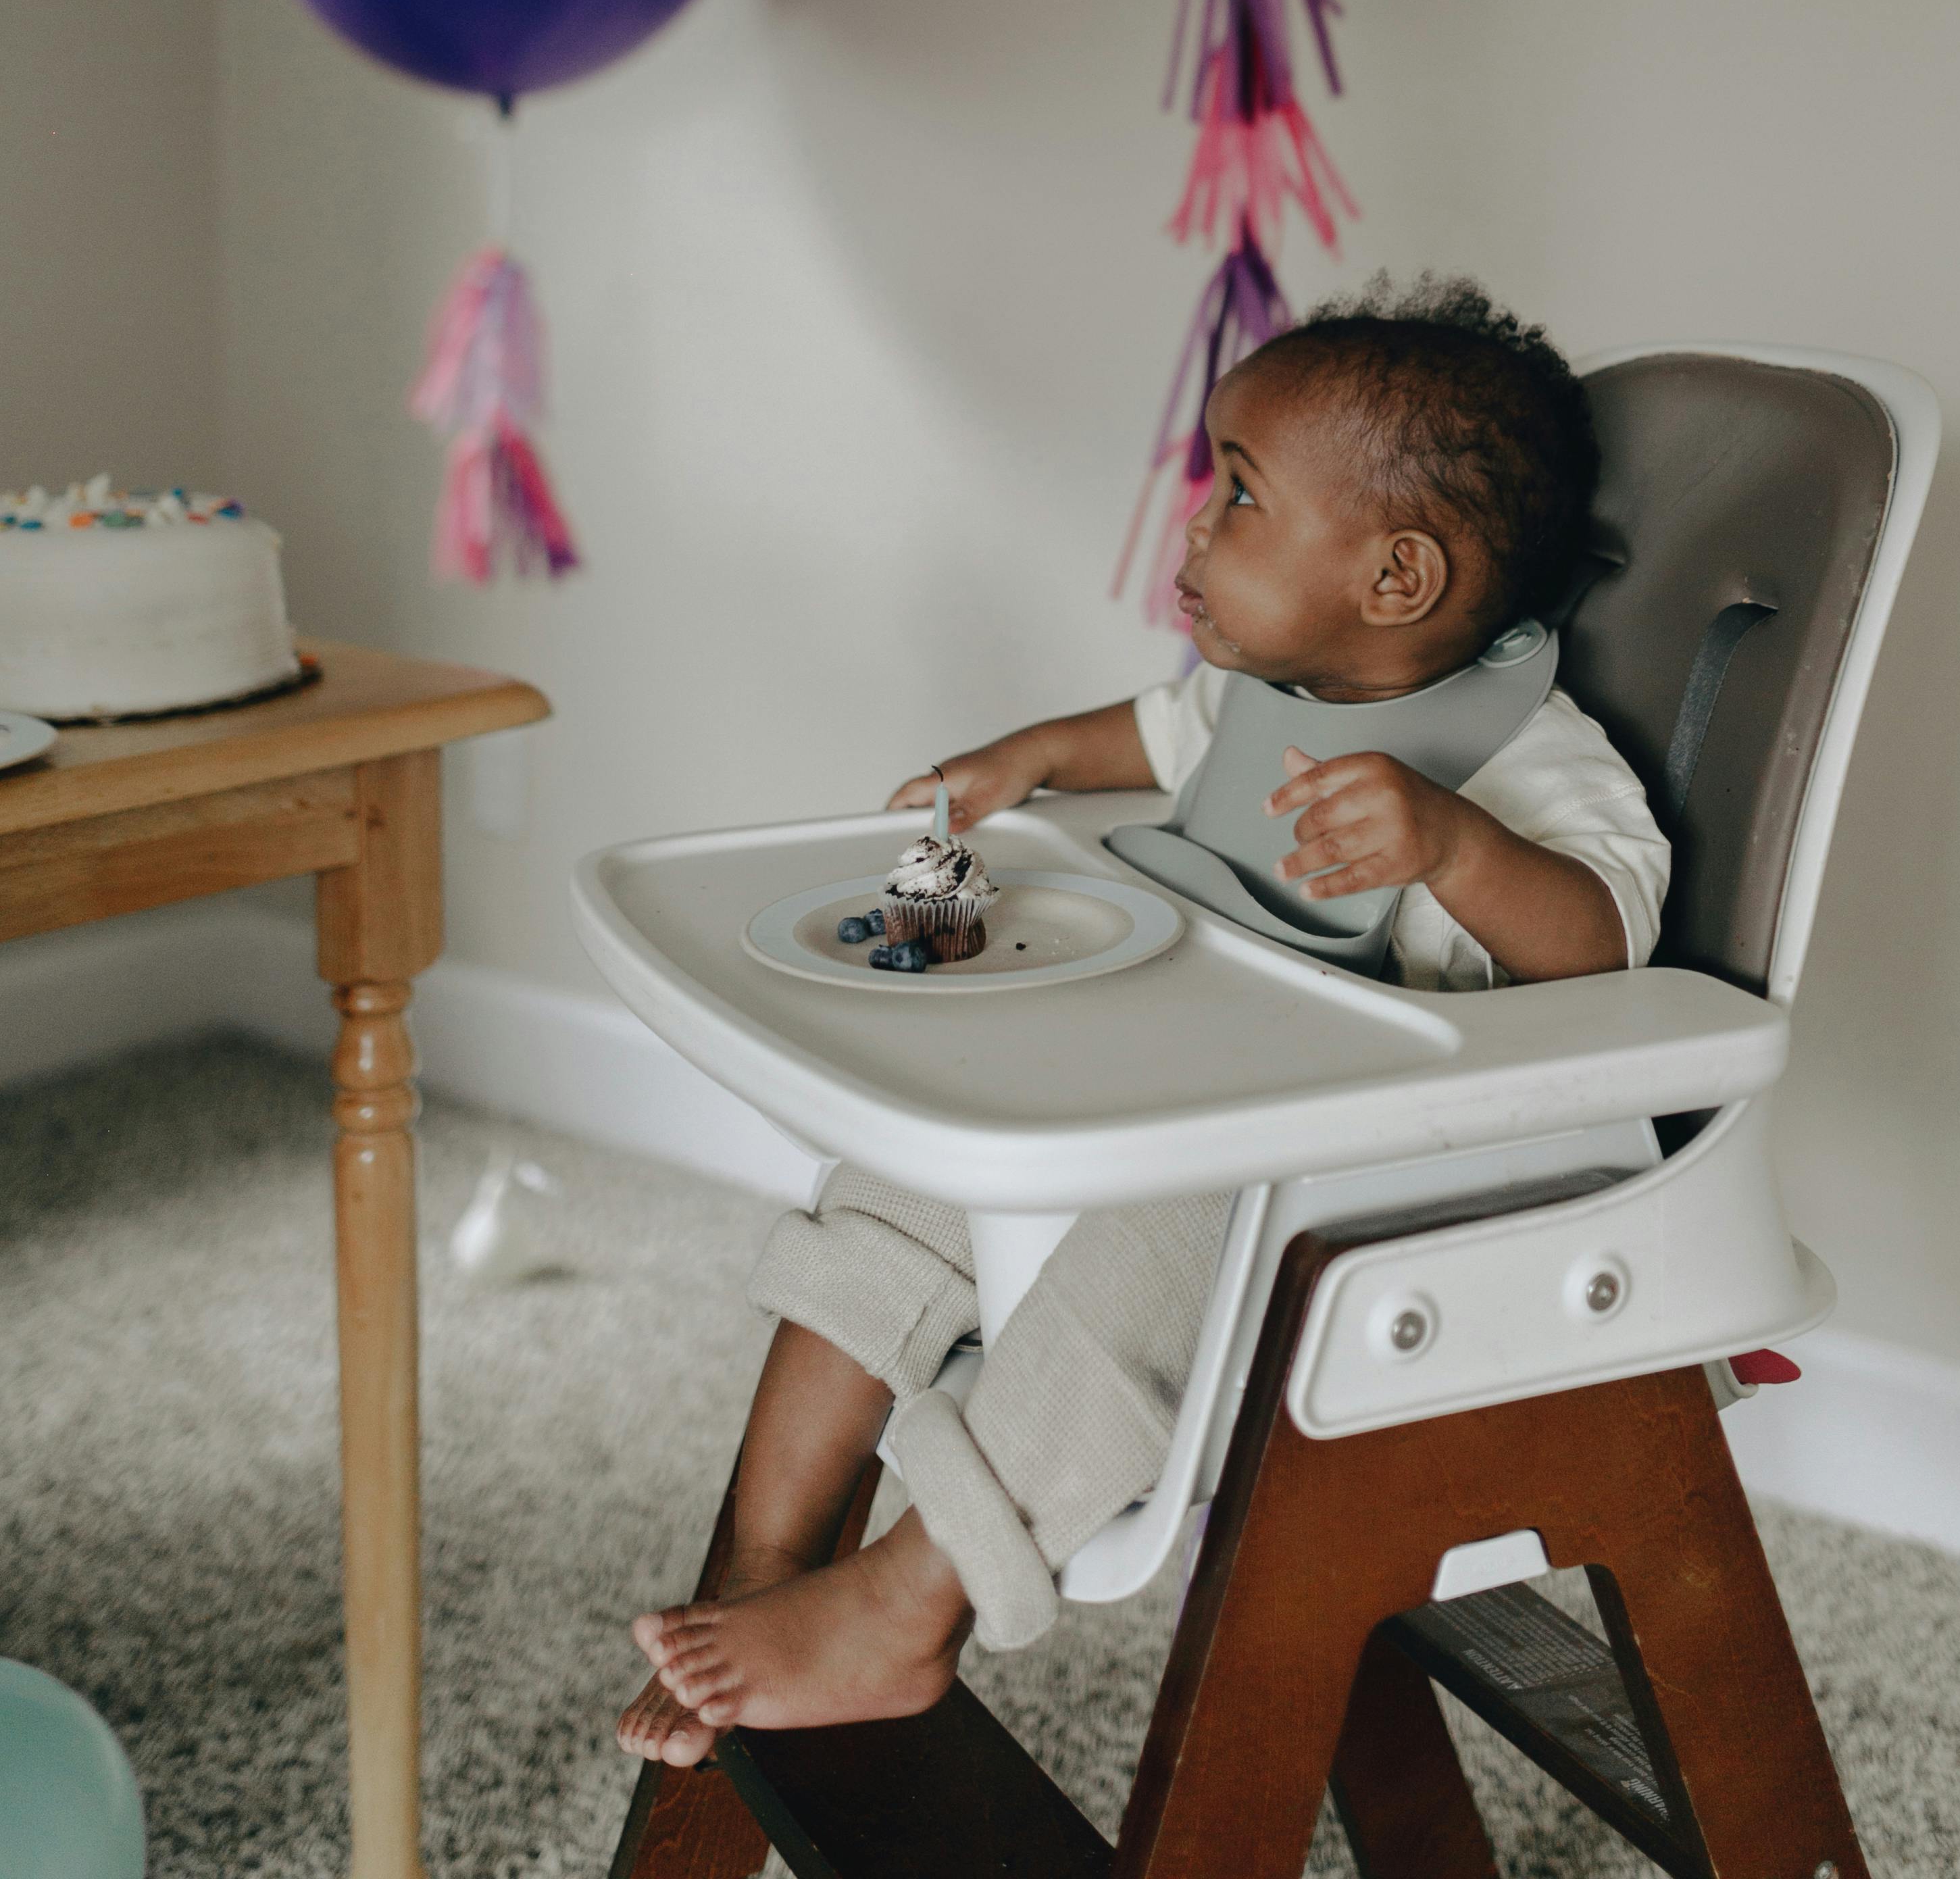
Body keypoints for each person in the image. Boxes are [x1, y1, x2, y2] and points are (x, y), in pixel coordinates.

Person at [618, 276, 1668, 1758]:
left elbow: (1614, 939)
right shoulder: (1275, 691)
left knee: (1156, 1256)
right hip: (1205, 1090)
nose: (1193, 529)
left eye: (1240, 499)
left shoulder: (1522, 758)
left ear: (1398, 581)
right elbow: (1153, 738)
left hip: (1382, 1173)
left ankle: (913, 1604)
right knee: (916, 1173)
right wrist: (1036, 754)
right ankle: (767, 1558)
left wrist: (1458, 849)